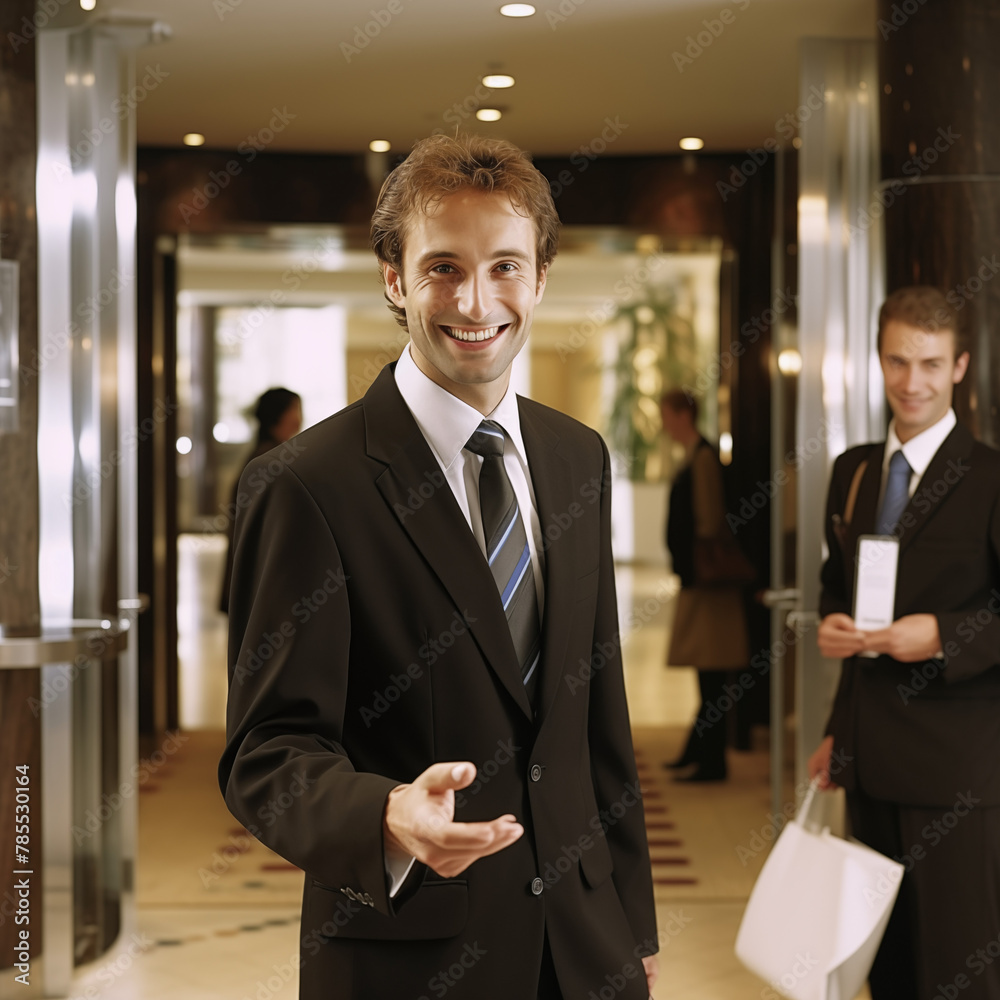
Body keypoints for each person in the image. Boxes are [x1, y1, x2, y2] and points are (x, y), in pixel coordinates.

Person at [218, 133, 659, 1000]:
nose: (475, 300)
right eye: (443, 268)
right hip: (408, 952)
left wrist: (631, 922)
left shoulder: (579, 459)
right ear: (395, 278)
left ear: (539, 279)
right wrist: (383, 814)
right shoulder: (306, 485)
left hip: (581, 946)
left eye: (503, 267)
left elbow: (597, 717)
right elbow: (265, 754)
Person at [808, 286, 1000, 1000]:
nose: (910, 382)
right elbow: (841, 587)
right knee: (883, 971)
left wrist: (946, 635)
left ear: (960, 367)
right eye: (897, 361)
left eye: (929, 363)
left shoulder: (990, 479)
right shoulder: (854, 471)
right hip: (871, 763)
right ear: (879, 359)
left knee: (958, 970)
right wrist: (836, 724)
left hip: (958, 775)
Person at [660, 389, 750, 782]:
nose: (663, 423)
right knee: (706, 674)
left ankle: (710, 759)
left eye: (666, 414)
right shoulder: (695, 456)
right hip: (699, 581)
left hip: (709, 584)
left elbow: (710, 519)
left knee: (712, 676)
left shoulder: (703, 459)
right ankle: (698, 752)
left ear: (682, 414)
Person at [218, 387, 302, 614]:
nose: (299, 417)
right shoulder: (271, 459)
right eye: (295, 409)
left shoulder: (267, 454)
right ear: (280, 414)